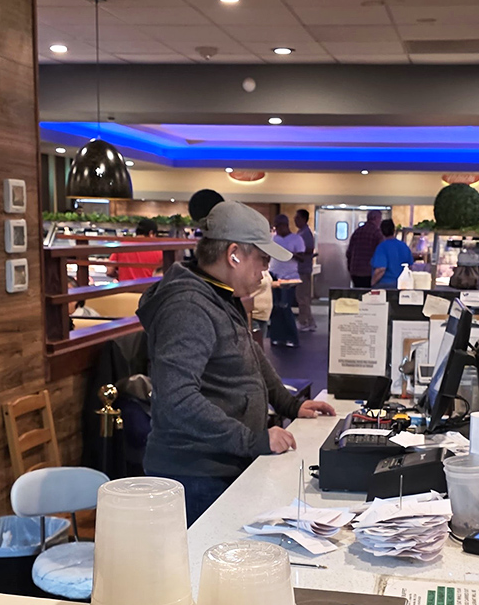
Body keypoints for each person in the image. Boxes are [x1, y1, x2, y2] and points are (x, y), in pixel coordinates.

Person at [136, 202, 335, 524]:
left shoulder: (217, 296)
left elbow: (250, 356)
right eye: (262, 260)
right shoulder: (188, 306)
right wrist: (251, 440)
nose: (263, 272)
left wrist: (289, 404)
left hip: (221, 463)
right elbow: (177, 398)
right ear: (234, 255)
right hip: (196, 473)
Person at [268, 214, 304, 348]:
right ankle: (276, 337)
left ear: (285, 225)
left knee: (285, 306)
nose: (277, 230)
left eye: (279, 227)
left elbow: (302, 257)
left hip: (290, 277)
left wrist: (289, 253)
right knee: (276, 307)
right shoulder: (273, 239)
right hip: (274, 275)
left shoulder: (296, 239)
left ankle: (291, 337)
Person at [106, 217, 162, 281]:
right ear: (151, 233)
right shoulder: (158, 250)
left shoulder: (122, 246)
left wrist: (121, 275)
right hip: (146, 289)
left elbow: (109, 271)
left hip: (124, 289)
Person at [346, 210, 383, 288]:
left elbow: (348, 253)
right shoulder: (377, 233)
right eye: (380, 219)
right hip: (369, 272)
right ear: (376, 218)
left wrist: (350, 268)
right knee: (369, 297)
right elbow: (381, 253)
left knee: (358, 295)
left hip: (355, 271)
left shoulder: (357, 231)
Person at [370, 219, 412, 287]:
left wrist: (372, 283)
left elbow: (380, 269)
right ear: (394, 230)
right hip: (402, 285)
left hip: (385, 286)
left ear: (381, 231)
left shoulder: (382, 247)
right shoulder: (404, 246)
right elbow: (411, 266)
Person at [293, 208, 316, 331]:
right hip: (301, 269)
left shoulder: (305, 234)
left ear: (303, 219)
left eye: (297, 218)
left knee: (302, 297)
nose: (295, 221)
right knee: (302, 296)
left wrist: (294, 253)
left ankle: (304, 321)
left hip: (303, 269)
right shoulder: (301, 233)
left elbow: (309, 249)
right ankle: (310, 321)